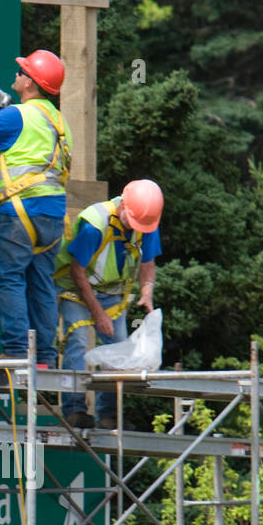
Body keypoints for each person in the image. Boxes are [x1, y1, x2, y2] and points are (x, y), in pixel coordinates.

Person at [0, 50, 72, 367]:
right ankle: (46, 357)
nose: (17, 74)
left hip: (18, 213)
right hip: (52, 217)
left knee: (6, 277)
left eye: (22, 71)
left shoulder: (17, 116)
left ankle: (16, 350)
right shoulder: (59, 121)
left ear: (31, 83)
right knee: (41, 284)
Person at [55, 180, 164, 429]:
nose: (133, 227)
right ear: (124, 204)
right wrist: (98, 313)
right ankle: (74, 410)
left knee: (120, 351)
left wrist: (147, 290)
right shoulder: (96, 224)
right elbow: (76, 271)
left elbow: (148, 264)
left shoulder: (147, 222)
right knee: (77, 340)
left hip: (111, 294)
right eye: (131, 221)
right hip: (76, 289)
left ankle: (108, 416)